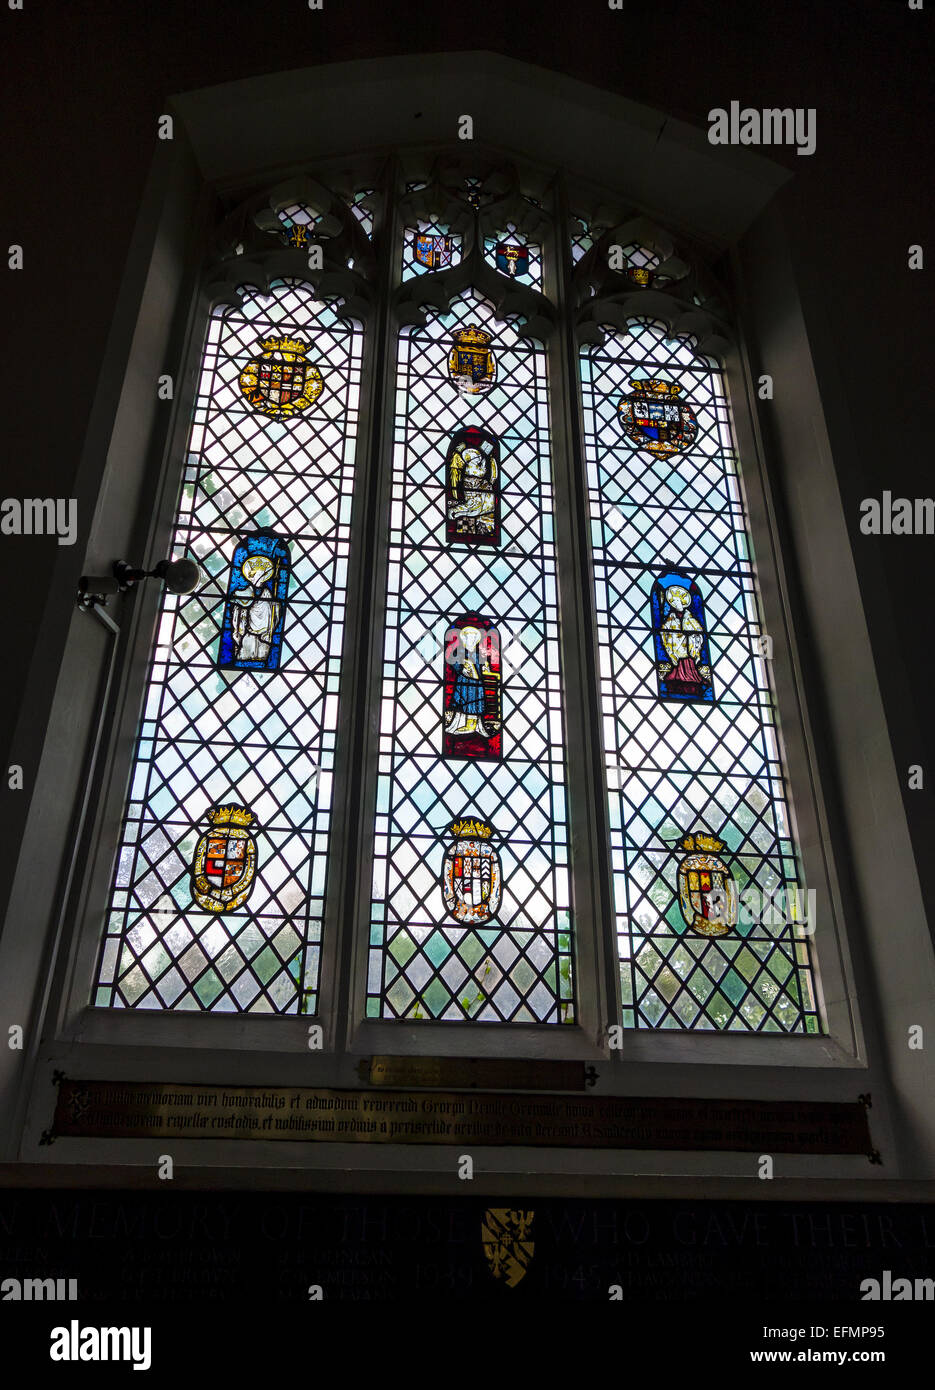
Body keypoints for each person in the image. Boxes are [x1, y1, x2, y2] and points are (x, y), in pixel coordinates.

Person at [229, 554, 280, 663]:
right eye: (258, 574)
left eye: (262, 575)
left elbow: (272, 612)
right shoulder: (247, 591)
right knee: (245, 653)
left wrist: (276, 605)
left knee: (263, 653)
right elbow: (238, 601)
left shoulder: (267, 593)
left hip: (265, 634)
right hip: (250, 632)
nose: (261, 577)